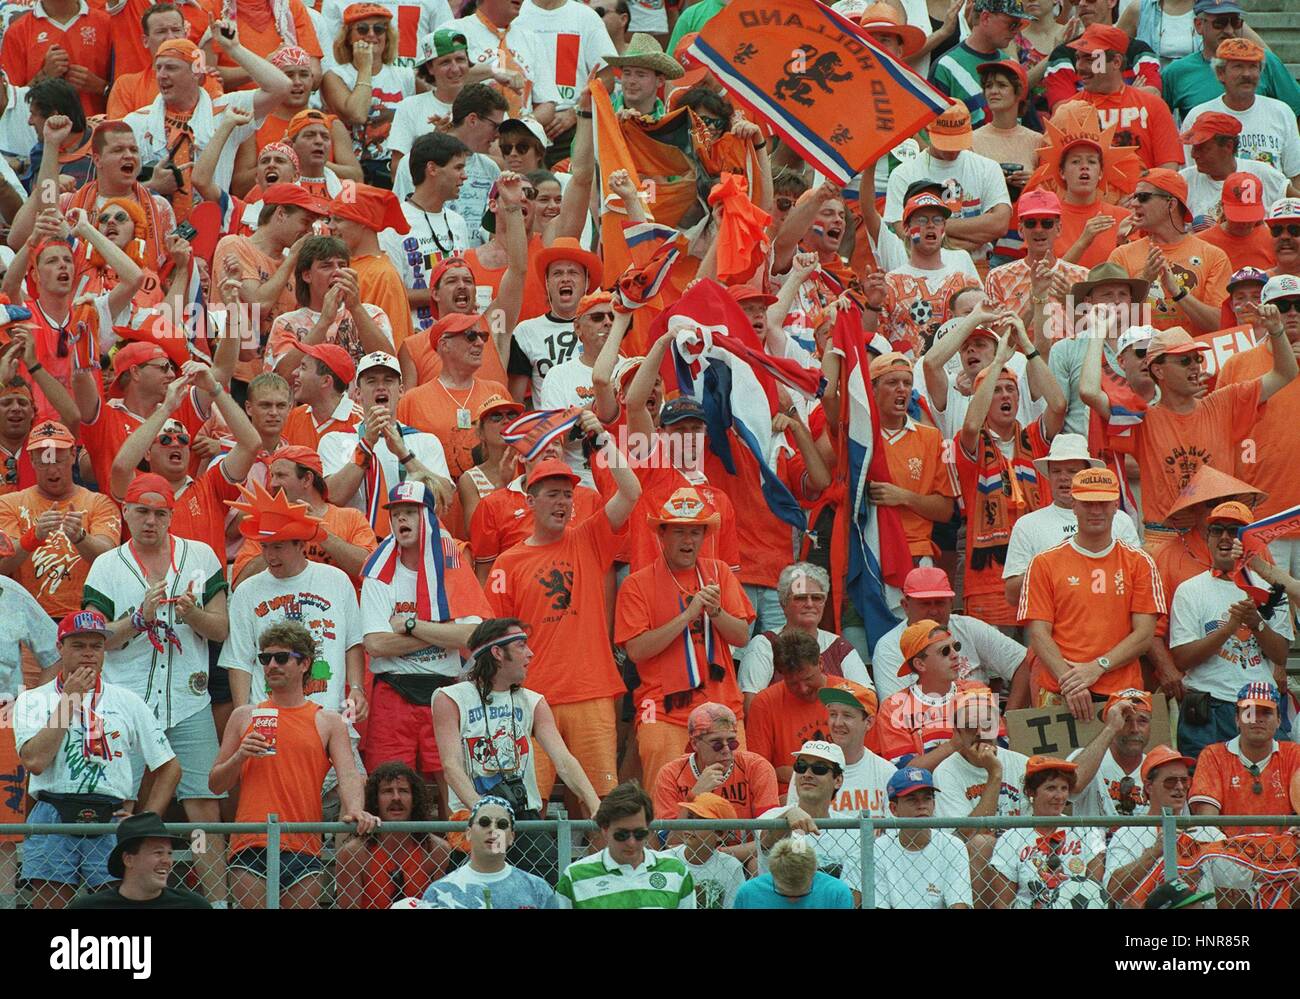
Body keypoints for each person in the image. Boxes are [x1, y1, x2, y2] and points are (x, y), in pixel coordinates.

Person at [82, 472, 229, 903]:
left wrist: (193, 614)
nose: (150, 521)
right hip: (125, 703)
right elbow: (96, 636)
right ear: (126, 512)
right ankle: (116, 897)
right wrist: (139, 618)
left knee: (203, 806)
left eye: (159, 513)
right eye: (141, 511)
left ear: (171, 515)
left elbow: (221, 629)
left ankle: (216, 901)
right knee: (118, 801)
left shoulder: (199, 556)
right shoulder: (108, 564)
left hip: (188, 699)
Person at [486, 414, 641, 812]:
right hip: (532, 698)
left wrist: (602, 438)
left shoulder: (589, 537)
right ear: (530, 500)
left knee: (600, 805)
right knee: (527, 806)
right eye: (552, 494)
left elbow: (631, 491)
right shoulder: (508, 562)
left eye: (567, 494)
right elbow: (495, 640)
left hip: (591, 691)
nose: (562, 502)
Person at [15, 611, 180, 909]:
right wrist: (70, 700)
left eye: (96, 645)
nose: (89, 654)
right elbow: (35, 761)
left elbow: (169, 766)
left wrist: (146, 820)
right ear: (60, 648)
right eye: (78, 646)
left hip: (111, 813)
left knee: (117, 903)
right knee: (49, 904)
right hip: (54, 809)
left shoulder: (127, 701)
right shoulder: (33, 699)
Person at [210, 620, 379, 909]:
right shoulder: (244, 715)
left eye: (281, 657)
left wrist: (354, 810)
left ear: (305, 664)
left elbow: (349, 774)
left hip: (305, 845)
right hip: (250, 841)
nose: (271, 665)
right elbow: (215, 785)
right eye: (265, 658)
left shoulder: (328, 720)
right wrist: (240, 756)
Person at [1082, 315, 1294, 535]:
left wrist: (1277, 330)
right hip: (1165, 540)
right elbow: (1088, 391)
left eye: (1197, 359)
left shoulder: (1225, 403)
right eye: (1184, 361)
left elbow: (1285, 373)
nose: (1195, 366)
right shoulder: (1141, 420)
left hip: (1217, 538)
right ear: (1159, 371)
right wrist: (1097, 334)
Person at [359, 481, 490, 794]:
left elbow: (473, 634)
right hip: (393, 691)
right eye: (396, 514)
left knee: (453, 784)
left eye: (411, 513)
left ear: (429, 518)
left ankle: (455, 844)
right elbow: (375, 644)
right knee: (390, 786)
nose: (402, 520)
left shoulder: (452, 563)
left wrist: (410, 625)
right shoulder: (378, 572)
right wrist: (443, 633)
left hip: (444, 692)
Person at [617, 487, 753, 786]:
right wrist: (687, 616)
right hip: (663, 713)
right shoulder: (636, 584)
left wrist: (716, 612)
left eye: (696, 532)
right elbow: (636, 650)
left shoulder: (720, 573)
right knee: (667, 807)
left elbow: (741, 636)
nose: (689, 541)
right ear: (661, 535)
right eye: (679, 531)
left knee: (730, 803)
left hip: (722, 711)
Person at [221, 483, 366, 762]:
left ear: (301, 544)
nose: (270, 556)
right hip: (268, 722)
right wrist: (244, 716)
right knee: (277, 800)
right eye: (265, 547)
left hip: (329, 716)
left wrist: (357, 689)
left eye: (279, 547)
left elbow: (352, 644)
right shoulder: (247, 591)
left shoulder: (336, 581)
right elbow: (239, 661)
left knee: (347, 791)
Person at [1020, 468, 1163, 718]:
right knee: (1060, 760)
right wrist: (1071, 681)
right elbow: (1038, 633)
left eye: (1103, 503)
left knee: (1123, 758)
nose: (1096, 510)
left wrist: (1098, 667)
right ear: (1074, 505)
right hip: (1060, 690)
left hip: (1121, 691)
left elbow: (1144, 635)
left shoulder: (1139, 562)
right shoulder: (1044, 562)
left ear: (1116, 505)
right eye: (1088, 503)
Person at [433, 617, 602, 829]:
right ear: (497, 653)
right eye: (521, 646)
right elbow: (451, 766)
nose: (530, 653)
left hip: (523, 813)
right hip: (473, 814)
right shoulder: (449, 698)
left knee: (545, 863)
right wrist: (484, 812)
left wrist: (594, 803)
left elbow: (564, 761)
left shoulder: (534, 702)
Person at [952, 322, 1065, 626]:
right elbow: (972, 425)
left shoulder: (1034, 438)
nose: (1005, 396)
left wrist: (1029, 346)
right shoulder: (969, 443)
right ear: (982, 399)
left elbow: (1058, 404)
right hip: (987, 583)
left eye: (1010, 390)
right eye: (996, 390)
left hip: (1039, 576)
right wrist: (999, 361)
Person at [124, 27, 292, 219]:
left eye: (171, 67)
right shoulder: (135, 122)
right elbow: (111, 191)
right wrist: (151, 186)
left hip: (213, 230)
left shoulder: (226, 111)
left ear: (196, 72)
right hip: (153, 232)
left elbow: (281, 87)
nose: (161, 75)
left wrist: (234, 48)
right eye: (159, 67)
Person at [1170, 502, 1293, 758]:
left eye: (1235, 530)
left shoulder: (1270, 588)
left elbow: (1281, 655)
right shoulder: (1189, 590)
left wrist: (1256, 622)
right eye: (1217, 530)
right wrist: (1228, 629)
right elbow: (1182, 658)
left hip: (1257, 703)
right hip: (1208, 705)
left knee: (1269, 790)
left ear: (1250, 539)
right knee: (1202, 790)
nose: (1225, 537)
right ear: (1207, 537)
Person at [1217, 275, 1300, 575]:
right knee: (1270, 617)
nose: (1291, 313)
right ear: (1264, 311)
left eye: (1298, 305)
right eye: (1281, 306)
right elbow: (1219, 438)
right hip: (1262, 518)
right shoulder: (1236, 365)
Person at [319, 351, 452, 536]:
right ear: (357, 393)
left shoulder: (425, 441)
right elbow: (333, 496)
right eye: (371, 381)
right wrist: (366, 444)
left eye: (388, 380)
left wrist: (404, 455)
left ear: (401, 390)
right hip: (358, 545)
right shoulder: (335, 440)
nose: (381, 387)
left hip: (415, 544)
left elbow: (444, 499)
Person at [1002, 433, 1140, 607]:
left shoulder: (1120, 519)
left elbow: (1138, 581)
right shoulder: (1027, 525)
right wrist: (1054, 564)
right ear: (1049, 476)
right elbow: (1012, 596)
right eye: (1056, 471)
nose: (1063, 477)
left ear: (1088, 473)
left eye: (1072, 471)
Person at [0, 420, 121, 620]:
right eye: (44, 461)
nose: (52, 470)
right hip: (28, 621)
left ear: (73, 455)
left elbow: (111, 560)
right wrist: (33, 537)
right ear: (31, 459)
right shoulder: (7, 504)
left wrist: (80, 537)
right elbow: (2, 567)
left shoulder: (100, 503)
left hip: (85, 621)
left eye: (58, 460)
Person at [1104, 744, 1245, 908]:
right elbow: (1113, 890)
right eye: (1170, 781)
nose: (1179, 787)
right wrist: (1154, 853)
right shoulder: (1129, 832)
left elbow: (1242, 878)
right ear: (1149, 787)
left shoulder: (1206, 832)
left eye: (1184, 780)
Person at [873, 566, 1031, 706]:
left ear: (951, 604)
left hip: (978, 723)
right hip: (922, 731)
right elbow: (896, 710)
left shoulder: (969, 627)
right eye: (925, 604)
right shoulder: (889, 647)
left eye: (940, 603)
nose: (934, 611)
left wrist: (1011, 721)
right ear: (905, 606)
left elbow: (1026, 662)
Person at [883, 102, 1012, 260]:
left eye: (957, 141)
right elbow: (906, 234)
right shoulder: (904, 174)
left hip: (977, 268)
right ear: (927, 130)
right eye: (945, 142)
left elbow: (1000, 224)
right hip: (925, 268)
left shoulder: (987, 168)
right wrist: (975, 238)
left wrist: (927, 225)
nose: (952, 150)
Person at [1105, 169, 1230, 332]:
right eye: (1134, 197)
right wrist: (1145, 282)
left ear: (1171, 204)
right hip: (1143, 355)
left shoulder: (1213, 256)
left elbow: (1221, 325)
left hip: (1194, 356)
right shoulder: (1121, 255)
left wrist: (1177, 292)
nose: (1134, 203)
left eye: (1143, 197)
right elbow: (1110, 325)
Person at [394, 314, 511, 479]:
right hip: (437, 501)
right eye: (470, 336)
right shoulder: (412, 401)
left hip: (492, 501)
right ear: (444, 344)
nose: (480, 343)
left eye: (482, 336)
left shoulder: (497, 393)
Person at [738, 562, 871, 707]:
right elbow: (752, 706)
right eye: (801, 598)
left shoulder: (840, 647)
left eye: (816, 598)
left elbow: (867, 699)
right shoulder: (764, 644)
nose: (809, 604)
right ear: (783, 604)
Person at [865, 353, 956, 563]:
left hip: (916, 551)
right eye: (892, 382)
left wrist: (905, 497)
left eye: (907, 383)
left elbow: (945, 511)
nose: (902, 389)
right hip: (868, 549)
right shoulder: (860, 437)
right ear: (872, 389)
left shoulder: (933, 438)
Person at [869, 620, 990, 770]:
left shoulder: (977, 691)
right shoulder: (893, 708)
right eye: (945, 651)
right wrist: (953, 745)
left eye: (956, 647)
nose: (955, 655)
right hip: (930, 790)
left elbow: (1001, 749)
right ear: (920, 664)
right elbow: (905, 771)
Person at [988, 756, 1107, 908]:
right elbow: (1002, 904)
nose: (1059, 796)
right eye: (1051, 788)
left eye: (1064, 788)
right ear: (1031, 792)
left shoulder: (1087, 832)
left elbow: (1095, 892)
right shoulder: (1011, 838)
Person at [556, 780, 695, 908]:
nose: (631, 842)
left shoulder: (676, 872)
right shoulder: (575, 877)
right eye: (621, 835)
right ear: (604, 830)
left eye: (639, 834)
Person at [1181, 39, 1300, 187]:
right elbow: (1192, 176)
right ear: (1220, 73)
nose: (1247, 74)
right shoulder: (1198, 116)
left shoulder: (1282, 112)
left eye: (1253, 67)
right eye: (1238, 67)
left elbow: (1296, 176)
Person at [320, 4, 415, 188]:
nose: (371, 35)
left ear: (387, 37)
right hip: (350, 175)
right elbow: (357, 114)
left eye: (379, 29)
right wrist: (365, 68)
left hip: (391, 172)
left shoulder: (405, 76)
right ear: (348, 37)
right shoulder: (334, 75)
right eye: (362, 29)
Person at [1162, 0, 1300, 123]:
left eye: (1235, 22)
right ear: (1199, 25)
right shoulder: (1178, 71)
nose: (1229, 30)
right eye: (1220, 23)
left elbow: (1296, 109)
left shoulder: (1264, 60)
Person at [334, 761, 448, 909]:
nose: (396, 798)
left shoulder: (437, 850)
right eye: (387, 791)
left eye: (403, 790)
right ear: (375, 800)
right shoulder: (353, 854)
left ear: (415, 799)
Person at [1189, 681, 1300, 833]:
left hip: (1284, 851)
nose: (1257, 719)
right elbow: (1208, 825)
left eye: (1266, 712)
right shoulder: (1213, 755)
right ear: (1237, 719)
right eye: (1250, 712)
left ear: (1279, 721)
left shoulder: (1294, 754)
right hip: (1228, 852)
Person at [1069, 23, 1183, 170]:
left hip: (1141, 191)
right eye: (1078, 58)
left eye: (1089, 60)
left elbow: (1168, 169)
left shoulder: (1153, 106)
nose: (1079, 66)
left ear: (1116, 62)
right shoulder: (1068, 111)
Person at [757, 740, 862, 900]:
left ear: (838, 780)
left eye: (819, 768)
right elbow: (767, 839)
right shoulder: (771, 816)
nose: (807, 774)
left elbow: (852, 897)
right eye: (801, 766)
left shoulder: (853, 832)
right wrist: (788, 815)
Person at [652, 701, 780, 829]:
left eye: (731, 742)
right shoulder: (670, 774)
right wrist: (695, 795)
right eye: (716, 743)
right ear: (695, 743)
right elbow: (667, 842)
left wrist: (720, 851)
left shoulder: (757, 767)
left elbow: (768, 837)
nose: (726, 750)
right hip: (688, 849)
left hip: (744, 848)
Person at [880, 192, 980, 355]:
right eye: (922, 220)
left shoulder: (965, 283)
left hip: (956, 377)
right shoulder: (890, 283)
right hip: (906, 377)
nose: (931, 225)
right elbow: (875, 340)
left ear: (944, 229)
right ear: (906, 228)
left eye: (937, 220)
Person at [421, 796, 557, 908]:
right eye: (484, 822)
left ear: (511, 837)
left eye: (502, 825)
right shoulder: (439, 892)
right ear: (468, 833)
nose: (493, 830)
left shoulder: (537, 890)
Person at [746, 632, 834, 796]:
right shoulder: (764, 703)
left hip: (846, 796)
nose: (803, 689)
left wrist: (789, 773)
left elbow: (866, 765)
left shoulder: (850, 695)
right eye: (792, 683)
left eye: (808, 679)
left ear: (821, 663)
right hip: (787, 801)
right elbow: (759, 772)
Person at [874, 767, 974, 909]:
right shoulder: (879, 849)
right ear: (893, 809)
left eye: (927, 798)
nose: (922, 806)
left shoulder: (953, 846)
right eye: (912, 799)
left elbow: (959, 905)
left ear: (933, 804)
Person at [984, 189, 1089, 324]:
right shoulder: (997, 278)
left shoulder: (1082, 277)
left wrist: (1068, 302)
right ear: (1021, 230)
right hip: (1020, 346)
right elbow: (997, 339)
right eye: (1031, 223)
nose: (1039, 229)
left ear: (1059, 228)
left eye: (1047, 223)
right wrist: (1033, 303)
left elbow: (1097, 334)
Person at [794, 678, 894, 819]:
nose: (838, 723)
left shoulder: (887, 773)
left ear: (869, 722)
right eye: (833, 714)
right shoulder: (805, 768)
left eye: (847, 715)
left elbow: (894, 836)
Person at [67, 811, 210, 909]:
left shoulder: (192, 905)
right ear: (129, 860)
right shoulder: (89, 907)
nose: (167, 861)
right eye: (158, 852)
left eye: (169, 853)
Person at [107, 3, 224, 119]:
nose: (170, 37)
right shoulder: (125, 87)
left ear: (185, 34)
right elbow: (116, 134)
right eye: (161, 31)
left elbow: (217, 128)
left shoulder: (207, 81)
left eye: (176, 30)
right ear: (145, 41)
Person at [0, 0, 113, 117]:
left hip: (96, 130)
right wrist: (44, 75)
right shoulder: (17, 32)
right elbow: (9, 104)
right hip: (38, 132)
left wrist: (100, 87)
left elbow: (126, 89)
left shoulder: (106, 23)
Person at [1043, 0, 1162, 111]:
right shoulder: (1063, 55)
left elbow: (1153, 97)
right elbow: (1064, 113)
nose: (1082, 3)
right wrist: (1130, 97)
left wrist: (1086, 100)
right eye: (1076, 0)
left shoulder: (1139, 50)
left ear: (1111, 1)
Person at [929, 0, 1028, 127]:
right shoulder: (946, 66)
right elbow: (931, 131)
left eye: (1019, 25)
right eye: (1012, 24)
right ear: (985, 18)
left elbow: (1024, 124)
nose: (1016, 31)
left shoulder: (1012, 65)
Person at [1179, 114, 1290, 227]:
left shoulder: (1263, 174)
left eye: (1202, 148)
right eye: (1193, 147)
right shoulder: (1183, 181)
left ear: (1228, 146)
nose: (1193, 155)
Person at [1064, 689, 1154, 818]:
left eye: (1142, 721)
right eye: (1126, 720)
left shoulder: (1156, 768)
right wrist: (1110, 728)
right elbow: (1071, 788)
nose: (1134, 729)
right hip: (1094, 838)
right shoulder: (1086, 757)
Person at [732, 835, 854, 909]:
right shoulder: (749, 893)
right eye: (783, 893)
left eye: (801, 894)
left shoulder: (836, 893)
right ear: (773, 873)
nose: (793, 901)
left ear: (814, 872)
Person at [605, 33, 679, 119]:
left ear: (660, 81)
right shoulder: (602, 115)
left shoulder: (669, 123)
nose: (631, 81)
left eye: (641, 75)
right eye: (627, 73)